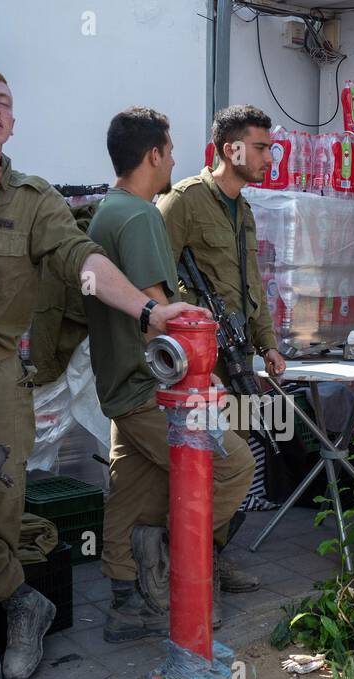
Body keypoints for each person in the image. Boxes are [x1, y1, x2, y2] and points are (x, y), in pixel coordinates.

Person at [0, 66, 190, 679]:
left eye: (5, 102)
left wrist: (148, 309)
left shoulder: (34, 197)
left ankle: (12, 605)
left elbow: (82, 264)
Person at [83, 107, 257, 643]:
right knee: (232, 466)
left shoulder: (107, 212)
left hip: (120, 384)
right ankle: (170, 568)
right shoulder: (140, 218)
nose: (176, 159)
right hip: (150, 389)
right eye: (171, 149)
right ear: (154, 154)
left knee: (129, 490)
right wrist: (204, 381)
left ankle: (127, 600)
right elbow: (167, 321)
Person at [157, 103, 286, 592]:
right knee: (218, 460)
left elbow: (252, 285)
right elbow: (155, 282)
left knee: (243, 460)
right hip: (198, 365)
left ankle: (210, 554)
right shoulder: (183, 201)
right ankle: (182, 558)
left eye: (268, 147)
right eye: (260, 147)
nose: (268, 157)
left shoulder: (244, 210)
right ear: (229, 149)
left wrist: (268, 345)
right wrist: (184, 356)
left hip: (236, 358)